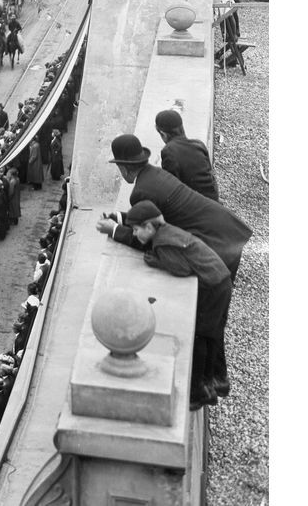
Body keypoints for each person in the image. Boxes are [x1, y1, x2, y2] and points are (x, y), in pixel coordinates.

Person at [98, 133, 251, 397]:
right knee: (215, 321)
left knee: (208, 324)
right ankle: (218, 379)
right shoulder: (154, 175)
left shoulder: (141, 191)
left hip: (216, 246)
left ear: (123, 167)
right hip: (226, 233)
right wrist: (122, 218)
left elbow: (149, 240)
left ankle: (207, 383)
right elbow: (157, 219)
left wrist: (114, 231)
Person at [103, 200, 232, 410]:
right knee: (213, 334)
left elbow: (180, 269)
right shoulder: (166, 232)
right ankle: (217, 381)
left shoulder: (163, 243)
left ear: (149, 227)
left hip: (212, 287)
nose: (135, 235)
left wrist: (153, 260)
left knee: (200, 336)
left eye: (136, 230)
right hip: (220, 279)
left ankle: (199, 392)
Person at [154, 109, 219, 201]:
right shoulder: (199, 144)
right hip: (213, 199)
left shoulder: (169, 151)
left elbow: (170, 188)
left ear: (163, 134)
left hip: (195, 205)